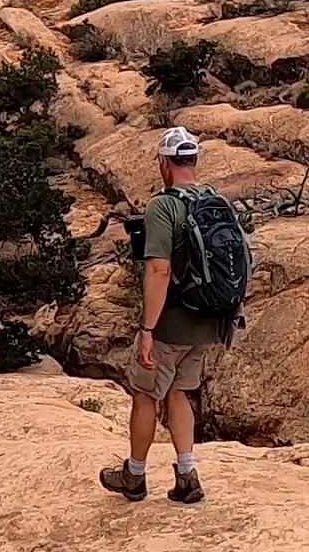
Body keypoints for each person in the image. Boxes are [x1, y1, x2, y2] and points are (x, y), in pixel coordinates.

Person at [99, 126, 248, 504]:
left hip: (171, 321)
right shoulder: (215, 200)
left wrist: (147, 328)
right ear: (193, 161)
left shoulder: (163, 206)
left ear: (165, 163)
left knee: (145, 394)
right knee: (180, 392)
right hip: (209, 318)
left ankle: (133, 476)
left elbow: (159, 270)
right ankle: (186, 474)